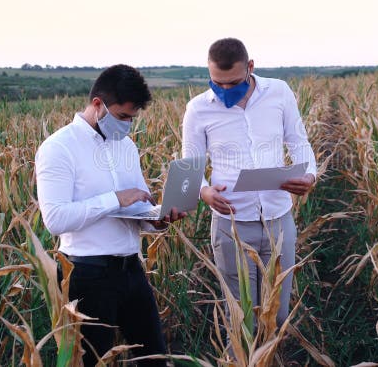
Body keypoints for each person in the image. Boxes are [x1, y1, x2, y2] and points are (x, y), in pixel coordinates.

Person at [35, 64, 185, 367]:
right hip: (86, 275)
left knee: (155, 359)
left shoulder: (126, 146)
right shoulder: (58, 148)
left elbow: (138, 203)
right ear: (97, 104)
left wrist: (156, 220)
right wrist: (114, 199)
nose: (127, 124)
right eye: (122, 116)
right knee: (92, 361)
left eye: (132, 118)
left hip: (132, 270)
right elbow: (55, 219)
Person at [181, 38, 317, 331]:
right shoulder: (198, 109)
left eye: (233, 83)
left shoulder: (279, 92)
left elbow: (298, 141)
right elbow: (189, 165)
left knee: (277, 314)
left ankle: (273, 354)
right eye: (217, 83)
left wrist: (309, 175)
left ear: (250, 67)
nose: (225, 90)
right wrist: (204, 191)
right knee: (242, 320)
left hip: (278, 219)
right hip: (231, 224)